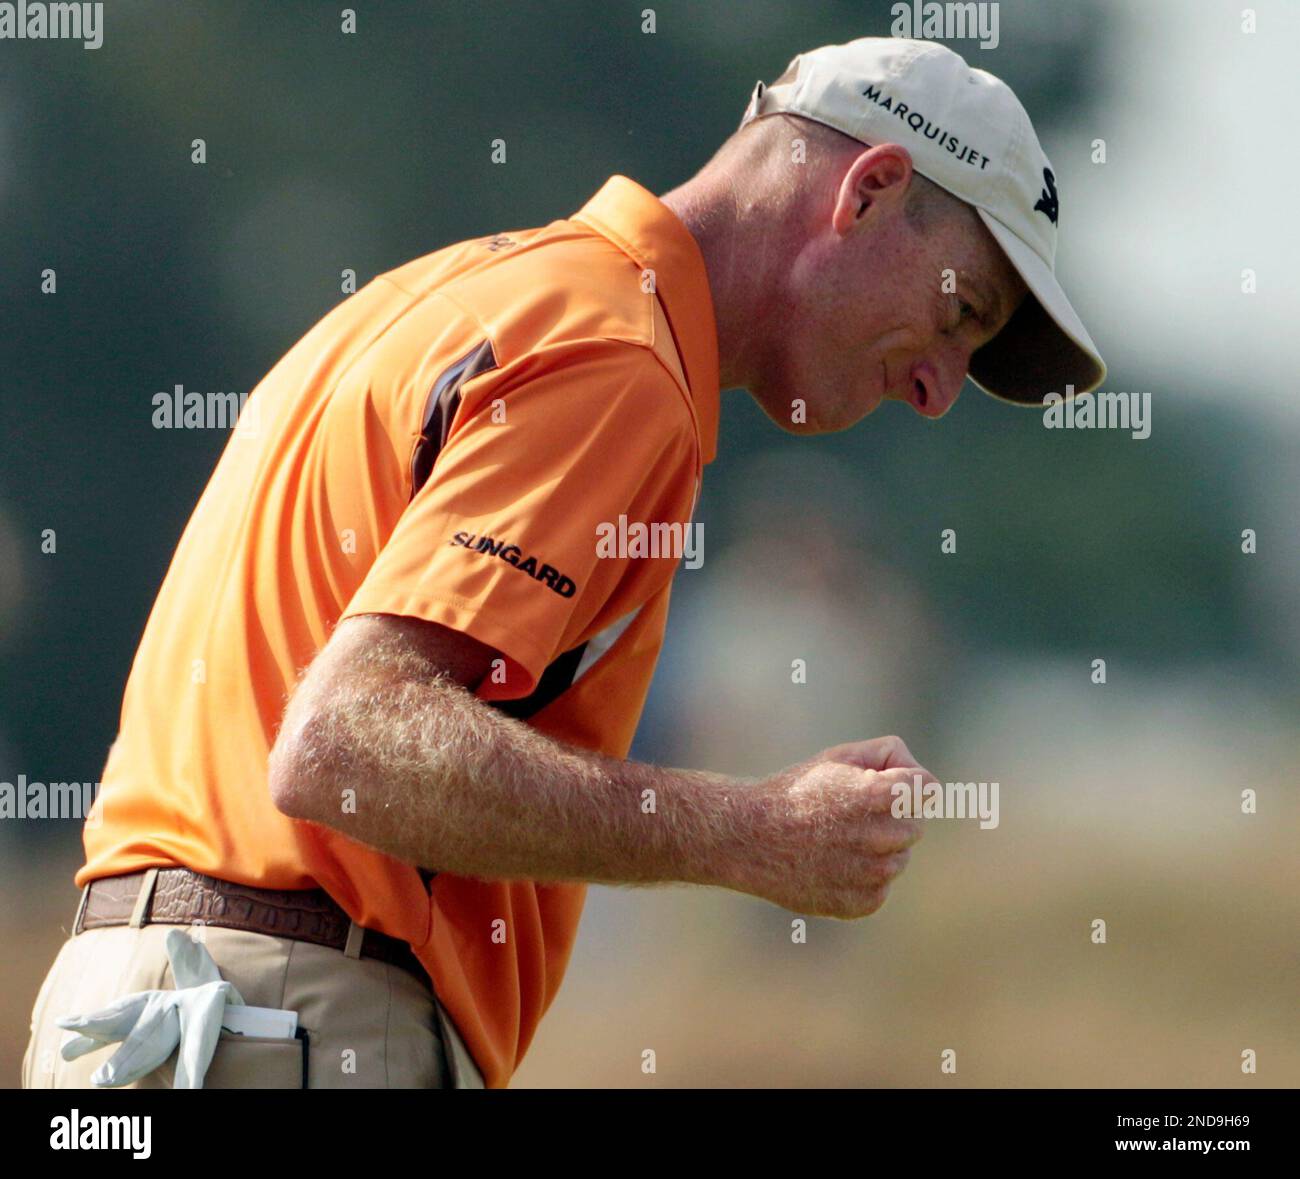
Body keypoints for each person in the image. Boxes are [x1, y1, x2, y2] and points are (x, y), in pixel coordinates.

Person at [22, 35, 1105, 1090]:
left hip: (129, 1011)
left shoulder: (447, 298)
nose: (937, 388)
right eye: (957, 314)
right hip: (290, 1020)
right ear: (867, 189)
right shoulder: (617, 359)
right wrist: (755, 833)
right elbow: (344, 744)